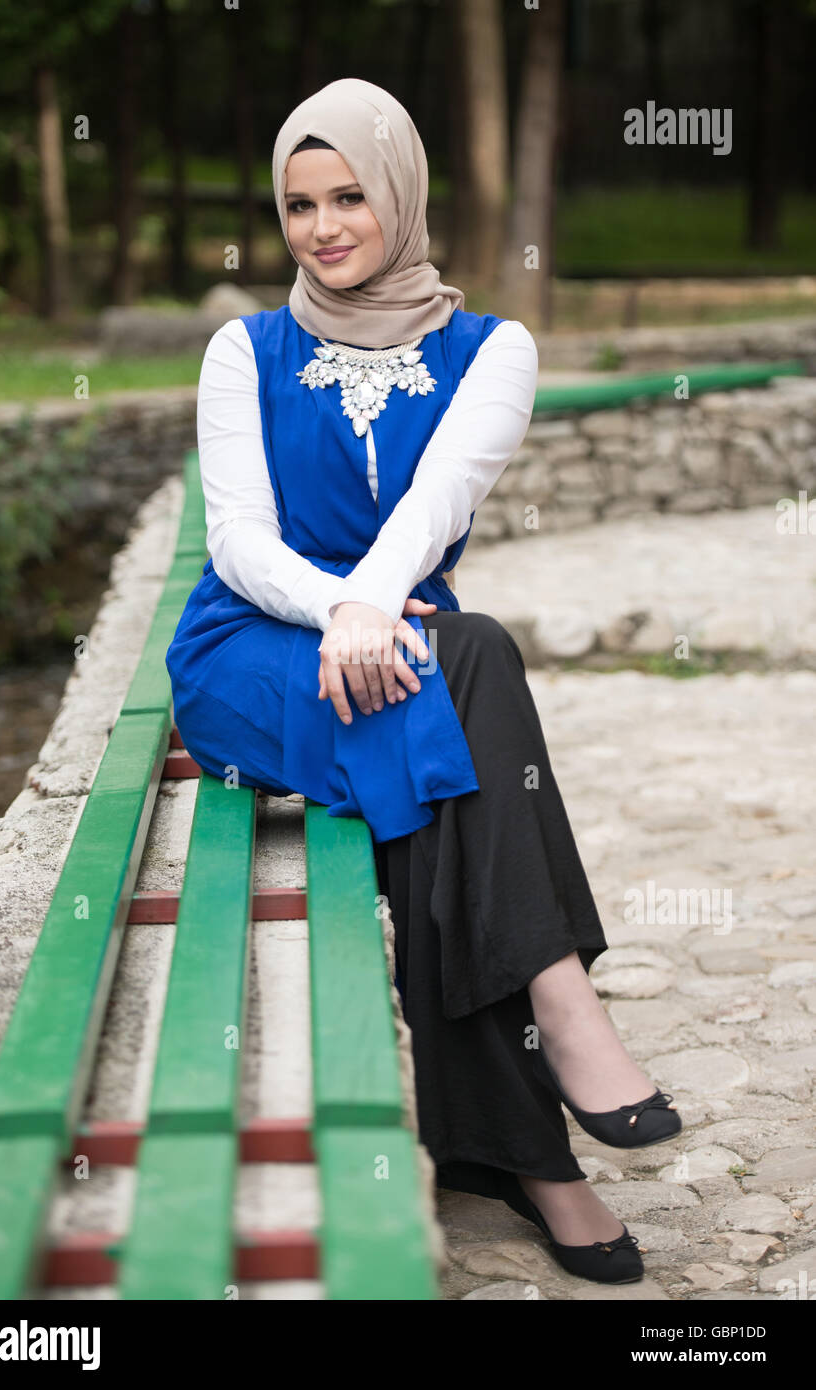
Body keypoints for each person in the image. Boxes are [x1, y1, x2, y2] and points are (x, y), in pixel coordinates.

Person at [165, 77, 682, 1288]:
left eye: (350, 194)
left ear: (401, 190)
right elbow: (237, 542)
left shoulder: (493, 349)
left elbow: (430, 508)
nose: (324, 225)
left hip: (394, 653)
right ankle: (560, 1007)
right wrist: (339, 609)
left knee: (455, 701)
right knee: (469, 656)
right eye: (299, 202)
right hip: (248, 656)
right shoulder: (242, 350)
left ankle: (516, 1151)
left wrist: (368, 607)